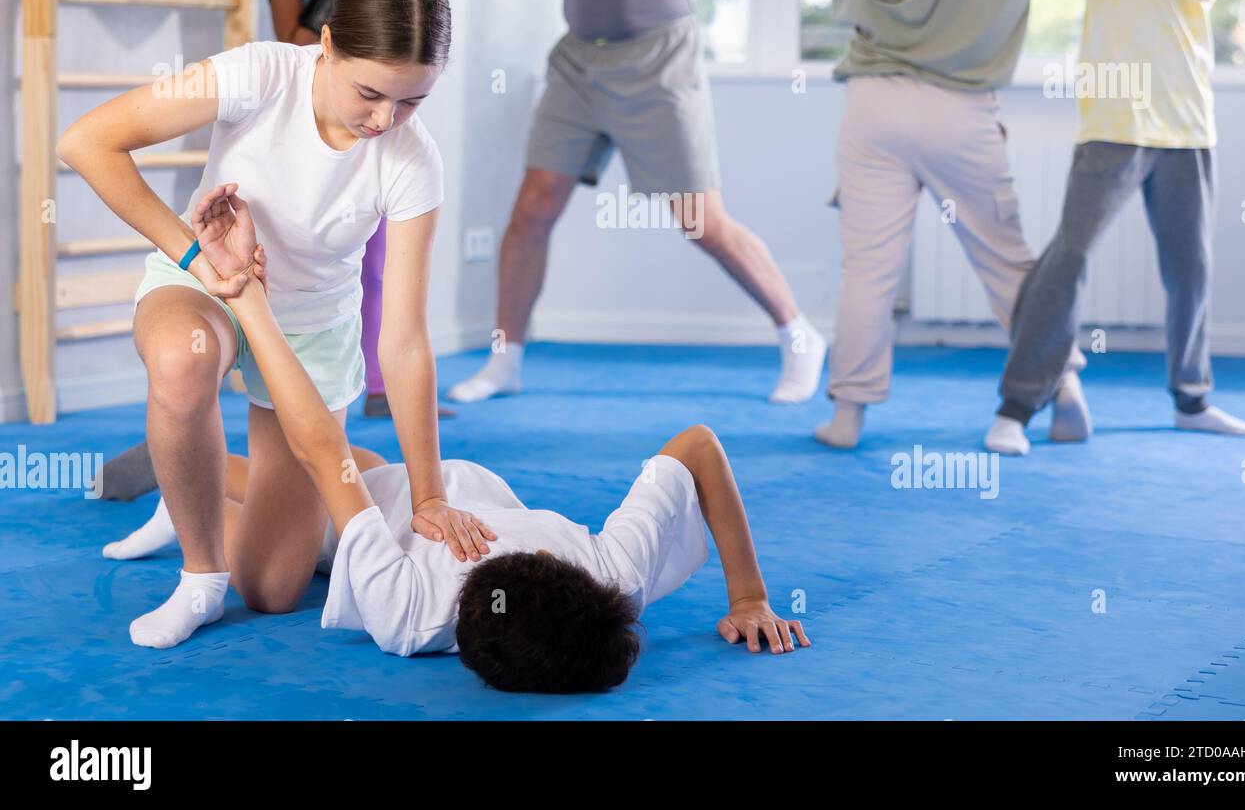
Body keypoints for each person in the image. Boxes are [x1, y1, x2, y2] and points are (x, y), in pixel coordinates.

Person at [106, 188, 811, 691]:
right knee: (342, 470)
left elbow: (322, 449)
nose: (486, 555)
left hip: (360, 509)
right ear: (552, 559)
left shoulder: (405, 609)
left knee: (270, 579)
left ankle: (184, 491)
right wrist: (747, 595)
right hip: (422, 484)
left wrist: (251, 303)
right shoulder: (614, 571)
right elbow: (697, 445)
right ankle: (183, 475)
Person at [58, 0, 493, 649]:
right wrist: (197, 256)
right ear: (326, 46)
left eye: (412, 102)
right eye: (372, 92)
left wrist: (429, 493)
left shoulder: (413, 161)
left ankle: (179, 484)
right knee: (182, 361)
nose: (387, 119)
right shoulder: (259, 73)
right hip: (206, 278)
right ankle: (199, 571)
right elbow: (86, 142)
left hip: (313, 328)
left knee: (270, 587)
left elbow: (403, 340)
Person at [446, 0, 826, 408]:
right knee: (531, 208)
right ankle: (506, 358)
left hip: (658, 56)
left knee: (700, 219)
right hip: (579, 60)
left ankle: (798, 336)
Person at [819, 0, 1113, 449]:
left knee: (866, 271)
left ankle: (847, 417)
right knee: (1007, 263)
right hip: (957, 112)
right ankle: (1063, 390)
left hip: (871, 110)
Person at [986, 0, 1245, 456]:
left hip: (1187, 127)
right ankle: (1016, 406)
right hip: (1113, 123)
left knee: (1190, 268)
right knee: (1069, 258)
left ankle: (1192, 399)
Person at [251, 0, 476, 421]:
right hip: (314, 134)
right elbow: (294, 46)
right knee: (314, 262)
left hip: (367, 141)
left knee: (377, 261)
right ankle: (284, 377)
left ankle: (379, 382)